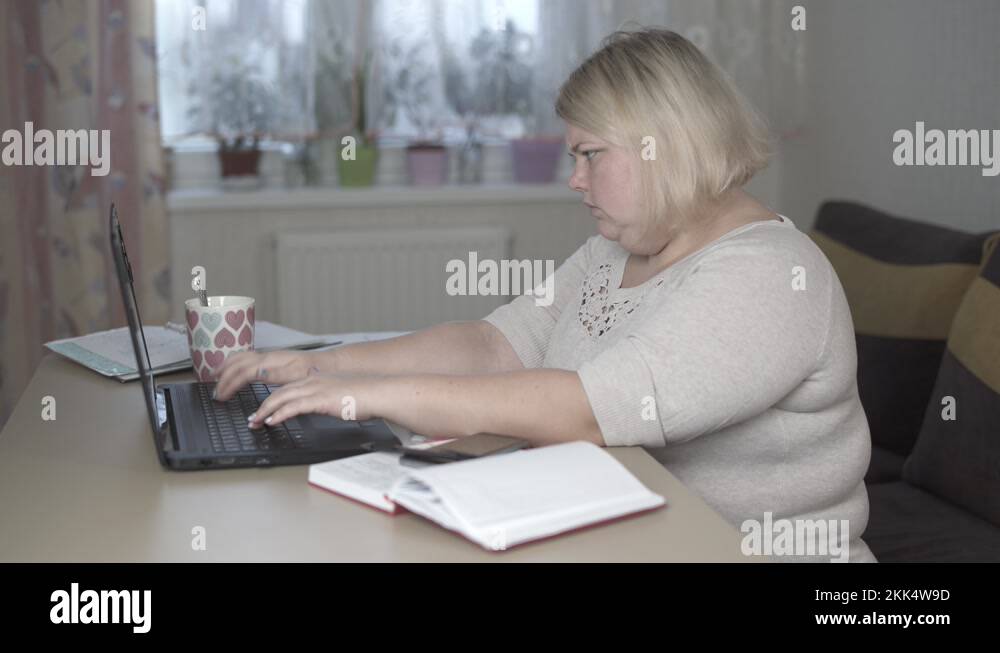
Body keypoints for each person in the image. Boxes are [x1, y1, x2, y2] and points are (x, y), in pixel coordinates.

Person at [214, 28, 875, 562]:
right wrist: (321, 364)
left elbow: (589, 410)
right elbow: (495, 345)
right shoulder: (616, 251)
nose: (574, 179)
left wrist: (371, 397)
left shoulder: (769, 276)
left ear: (665, 147)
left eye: (590, 155)